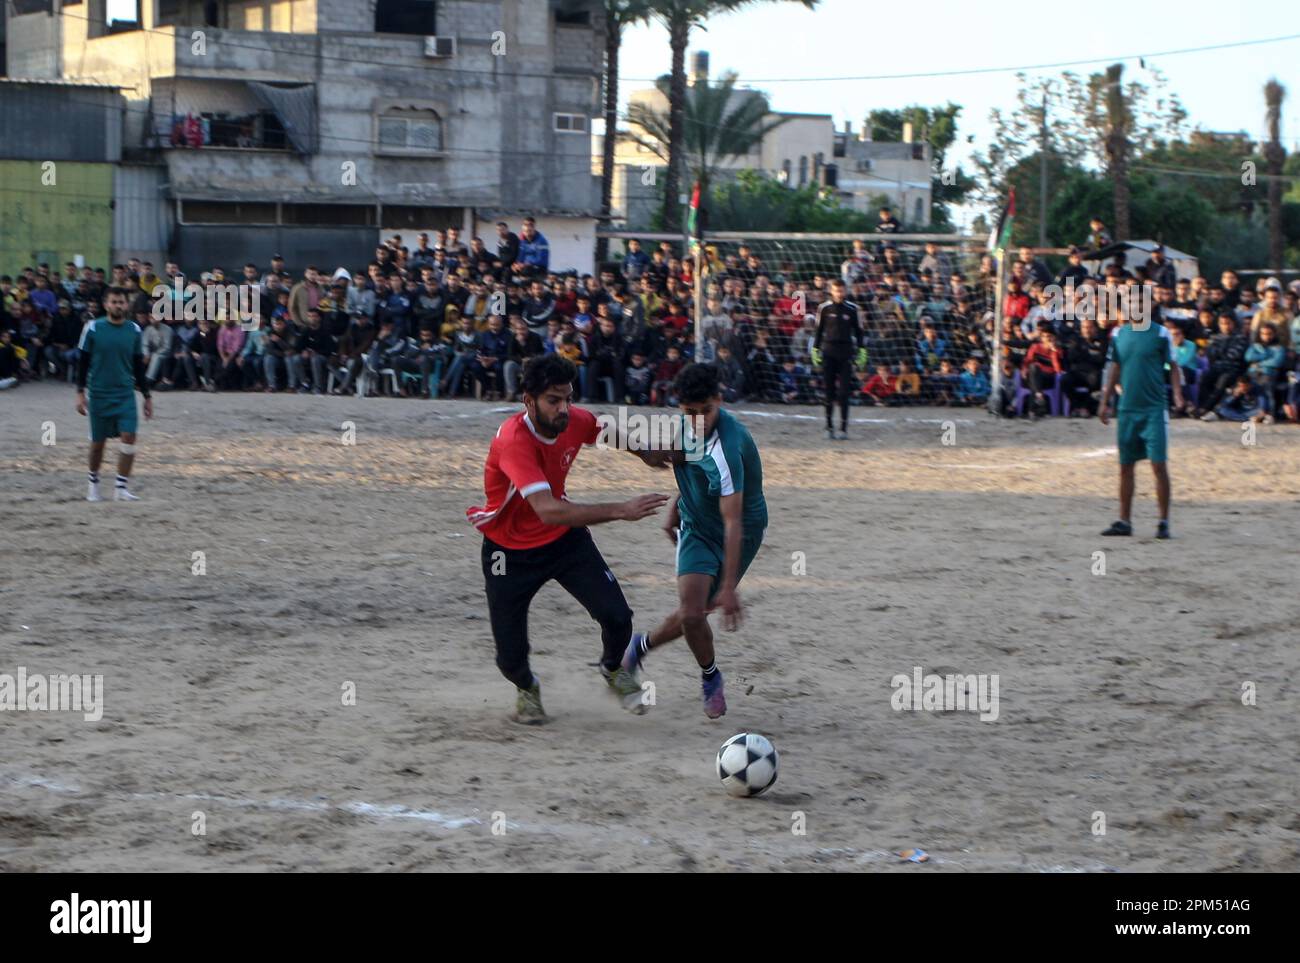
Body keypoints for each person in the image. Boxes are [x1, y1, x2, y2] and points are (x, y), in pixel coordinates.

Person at [466, 354, 670, 724]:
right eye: (553, 400)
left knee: (618, 617)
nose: (564, 409)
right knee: (510, 659)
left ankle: (612, 670)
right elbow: (548, 509)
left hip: (563, 541)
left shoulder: (571, 419)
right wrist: (622, 509)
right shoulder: (514, 440)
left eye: (568, 398)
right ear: (528, 401)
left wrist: (646, 453)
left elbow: (601, 428)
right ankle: (527, 687)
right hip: (508, 552)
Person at [620, 363, 767, 719]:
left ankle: (639, 647)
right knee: (691, 612)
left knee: (697, 612)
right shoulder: (685, 428)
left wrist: (730, 586)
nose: (699, 419)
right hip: (697, 525)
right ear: (679, 407)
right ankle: (711, 675)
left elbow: (733, 522)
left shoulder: (728, 447)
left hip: (740, 531)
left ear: (720, 400)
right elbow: (687, 460)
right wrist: (677, 505)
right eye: (690, 412)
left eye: (706, 411)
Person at [1099, 312, 1183, 539]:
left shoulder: (1160, 333)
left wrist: (1177, 393)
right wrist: (1105, 400)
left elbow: (1172, 365)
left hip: (1154, 409)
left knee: (1159, 465)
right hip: (1127, 409)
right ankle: (1124, 521)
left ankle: (1163, 521)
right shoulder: (1119, 334)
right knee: (1126, 466)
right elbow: (1114, 368)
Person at [75, 288, 154, 501]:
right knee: (97, 444)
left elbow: (138, 366)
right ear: (106, 304)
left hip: (125, 394)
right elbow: (82, 363)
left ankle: (121, 487)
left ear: (127, 305)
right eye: (114, 302)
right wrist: (80, 393)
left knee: (129, 437)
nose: (118, 305)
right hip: (99, 394)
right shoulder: (92, 328)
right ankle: (93, 484)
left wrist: (147, 396)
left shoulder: (134, 330)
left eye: (121, 302)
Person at [811, 278, 865, 440]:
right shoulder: (824, 308)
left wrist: (862, 351)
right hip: (828, 353)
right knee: (828, 392)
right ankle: (828, 426)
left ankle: (843, 429)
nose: (839, 293)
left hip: (846, 353)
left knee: (844, 393)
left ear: (845, 291)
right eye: (836, 290)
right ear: (831, 291)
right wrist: (815, 349)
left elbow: (859, 332)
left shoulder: (853, 309)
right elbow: (819, 331)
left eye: (841, 290)